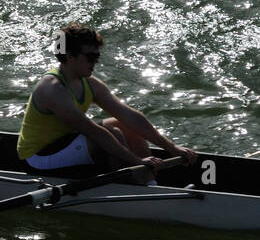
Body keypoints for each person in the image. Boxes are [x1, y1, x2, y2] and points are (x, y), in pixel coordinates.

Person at [18, 22, 196, 178]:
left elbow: (130, 116)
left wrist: (171, 148)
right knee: (114, 134)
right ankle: (130, 186)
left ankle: (149, 182)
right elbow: (93, 131)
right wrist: (137, 161)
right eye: (90, 57)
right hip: (40, 156)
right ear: (70, 56)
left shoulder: (90, 83)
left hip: (68, 141)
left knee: (125, 125)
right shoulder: (53, 89)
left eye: (97, 57)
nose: (95, 62)